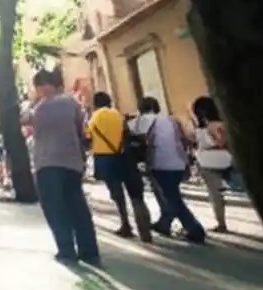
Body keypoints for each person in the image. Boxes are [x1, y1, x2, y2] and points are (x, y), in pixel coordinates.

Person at [30, 70, 101, 266]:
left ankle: (66, 250)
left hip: (47, 163)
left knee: (55, 208)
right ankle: (89, 251)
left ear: (40, 86)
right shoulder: (72, 104)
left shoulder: (38, 108)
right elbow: (82, 131)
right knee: (77, 206)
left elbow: (25, 125)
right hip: (72, 163)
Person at [134, 97, 205, 243]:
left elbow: (136, 140)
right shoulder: (171, 119)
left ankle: (195, 229)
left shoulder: (141, 121)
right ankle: (164, 223)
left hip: (160, 163)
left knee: (172, 198)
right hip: (179, 162)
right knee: (170, 194)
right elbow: (185, 138)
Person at [85, 92, 152, 242]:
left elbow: (87, 138)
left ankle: (125, 224)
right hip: (125, 156)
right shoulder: (118, 115)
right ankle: (144, 228)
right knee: (136, 194)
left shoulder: (94, 118)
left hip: (105, 158)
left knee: (117, 194)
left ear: (95, 104)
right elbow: (127, 133)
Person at [191, 95, 232, 233]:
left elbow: (218, 141)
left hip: (207, 161)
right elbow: (224, 142)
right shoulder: (223, 123)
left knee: (215, 194)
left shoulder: (206, 127)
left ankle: (221, 223)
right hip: (226, 158)